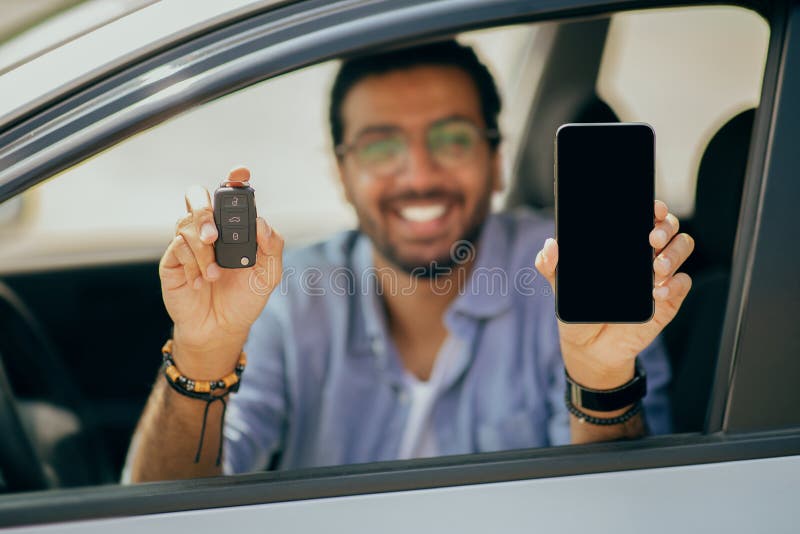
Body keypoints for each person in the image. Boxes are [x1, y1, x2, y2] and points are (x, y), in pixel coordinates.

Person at [127, 40, 694, 482]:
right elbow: (162, 513)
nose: (420, 175)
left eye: (452, 139)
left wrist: (597, 378)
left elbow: (620, 512)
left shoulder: (572, 269)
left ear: (496, 160)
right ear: (342, 173)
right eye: (380, 146)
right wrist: (202, 353)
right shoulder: (291, 294)